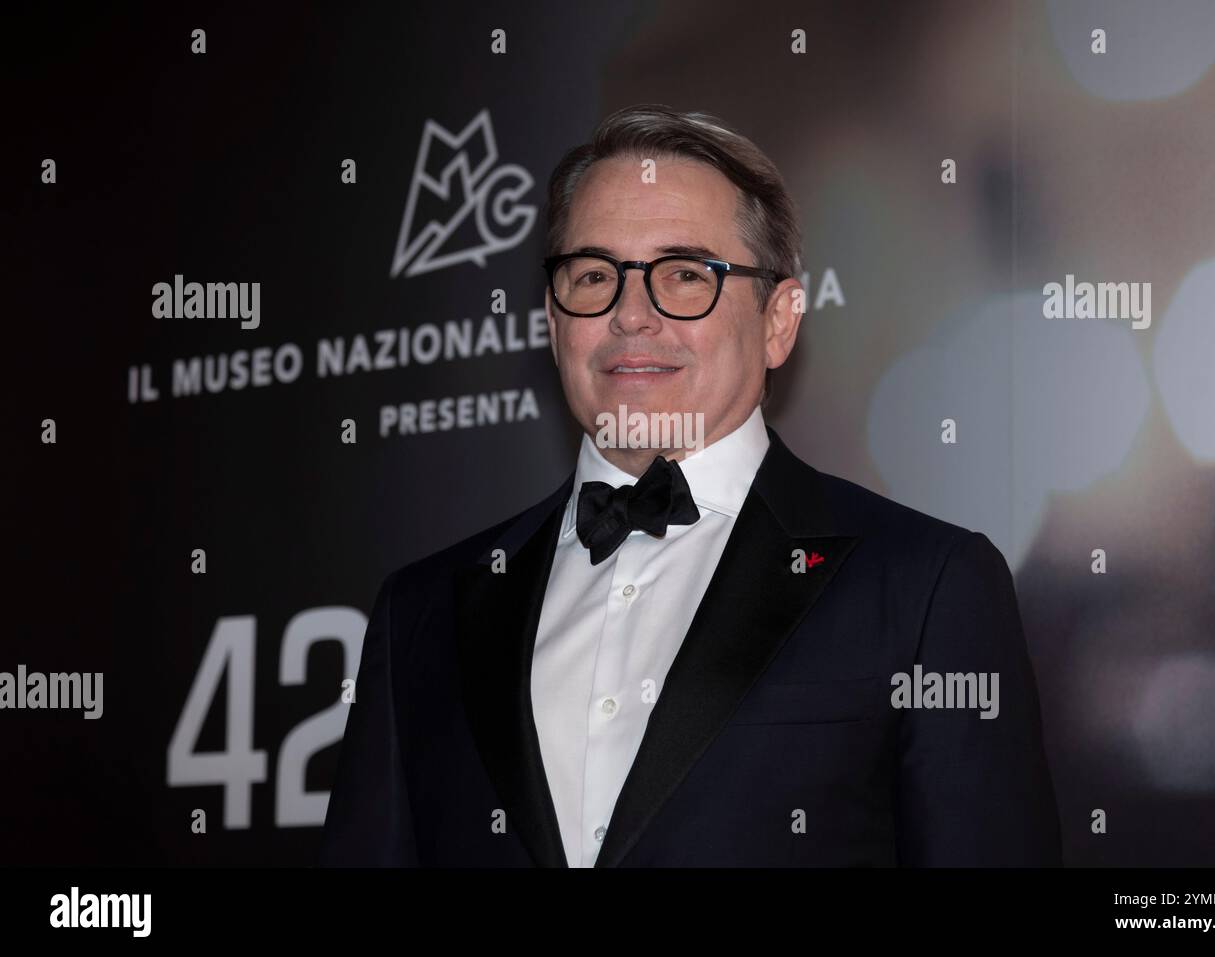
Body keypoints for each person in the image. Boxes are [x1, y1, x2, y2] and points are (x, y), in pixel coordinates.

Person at [320, 104, 1061, 867]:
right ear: (552, 319)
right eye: (594, 275)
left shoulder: (926, 586)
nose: (631, 316)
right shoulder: (422, 613)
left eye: (684, 276)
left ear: (778, 321)